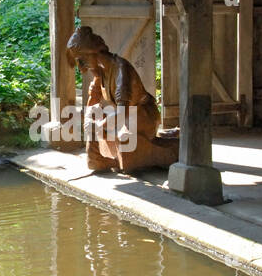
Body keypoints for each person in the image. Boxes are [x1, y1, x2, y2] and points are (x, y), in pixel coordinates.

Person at [65, 25, 179, 173]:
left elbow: (122, 113)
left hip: (143, 115)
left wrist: (100, 125)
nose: (81, 68)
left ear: (93, 53)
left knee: (123, 137)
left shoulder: (120, 70)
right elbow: (93, 101)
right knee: (95, 118)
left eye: (81, 61)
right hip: (126, 117)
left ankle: (161, 151)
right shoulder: (99, 72)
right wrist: (89, 119)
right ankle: (97, 158)